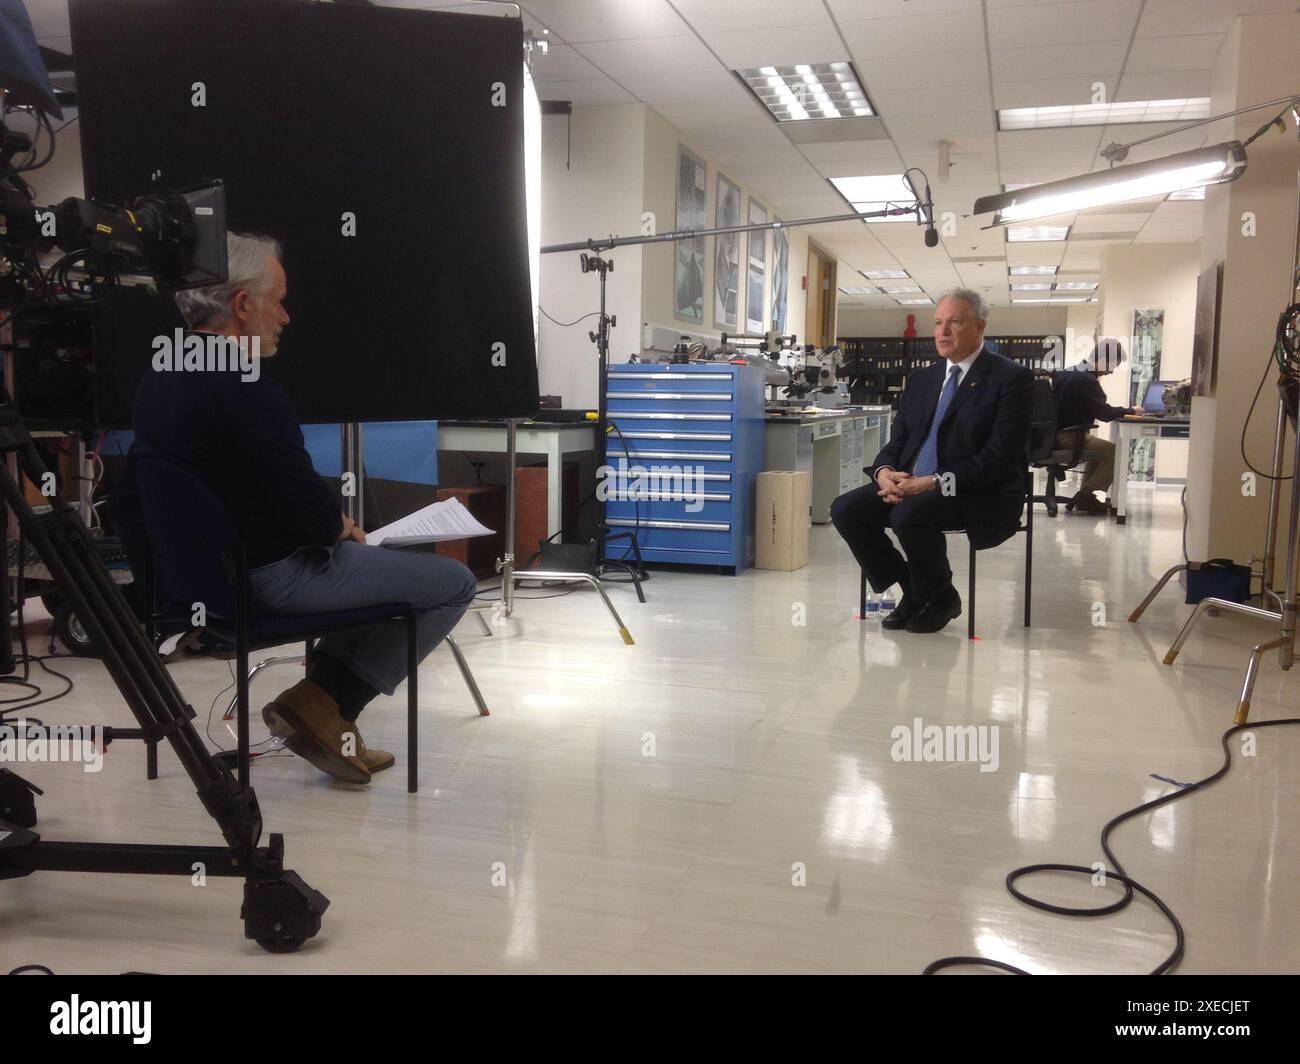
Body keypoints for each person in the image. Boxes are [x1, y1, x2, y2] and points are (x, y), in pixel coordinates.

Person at [131, 232, 477, 784]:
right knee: (451, 583)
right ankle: (322, 706)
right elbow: (307, 519)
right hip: (272, 577)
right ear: (243, 306)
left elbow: (250, 485)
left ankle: (326, 714)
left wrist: (324, 520)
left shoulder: (160, 379)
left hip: (209, 580)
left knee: (383, 580)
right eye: (278, 301)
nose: (286, 317)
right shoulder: (249, 390)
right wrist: (340, 524)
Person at [830, 289, 1032, 634]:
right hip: (912, 483)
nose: (942, 331)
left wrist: (933, 482)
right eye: (938, 323)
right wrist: (885, 473)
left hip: (975, 490)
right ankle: (924, 592)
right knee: (846, 509)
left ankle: (926, 597)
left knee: (909, 513)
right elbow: (900, 440)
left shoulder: (1010, 379)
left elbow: (999, 458)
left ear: (980, 327)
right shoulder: (924, 380)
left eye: (954, 322)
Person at [1049, 338, 1145, 515]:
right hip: (1069, 437)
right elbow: (1104, 414)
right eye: (1112, 366)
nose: (1110, 372)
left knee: (1100, 448)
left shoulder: (1066, 372)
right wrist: (1131, 410)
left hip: (1053, 435)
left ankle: (1087, 494)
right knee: (1115, 452)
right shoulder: (1088, 380)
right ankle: (1085, 495)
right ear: (1103, 360)